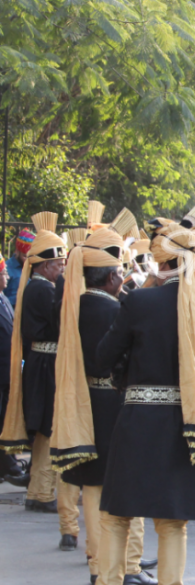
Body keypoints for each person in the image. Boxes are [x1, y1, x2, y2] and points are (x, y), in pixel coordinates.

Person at [66, 198, 195, 585]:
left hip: (138, 424)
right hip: (187, 430)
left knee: (116, 517)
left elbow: (103, 360)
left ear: (161, 260)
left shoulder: (138, 303)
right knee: (173, 525)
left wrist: (126, 374)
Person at [50, 227, 157, 585]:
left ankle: (100, 563)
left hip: (88, 403)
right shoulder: (114, 309)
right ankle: (126, 564)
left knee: (94, 487)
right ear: (112, 276)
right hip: (113, 403)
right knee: (123, 485)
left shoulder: (75, 305)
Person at [0, 212, 81, 549]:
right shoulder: (42, 290)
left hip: (42, 363)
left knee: (45, 429)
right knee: (48, 428)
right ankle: (42, 490)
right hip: (45, 364)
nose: (62, 268)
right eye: (59, 263)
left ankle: (38, 489)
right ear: (46, 266)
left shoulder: (37, 287)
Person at [0, 253, 25, 484]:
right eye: (3, 273)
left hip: (7, 370)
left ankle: (6, 463)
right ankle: (7, 464)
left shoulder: (3, 299)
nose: (6, 276)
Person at [5, 228, 35, 307]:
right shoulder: (6, 270)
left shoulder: (33, 267)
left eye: (30, 257)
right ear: (17, 251)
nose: (28, 260)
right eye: (25, 256)